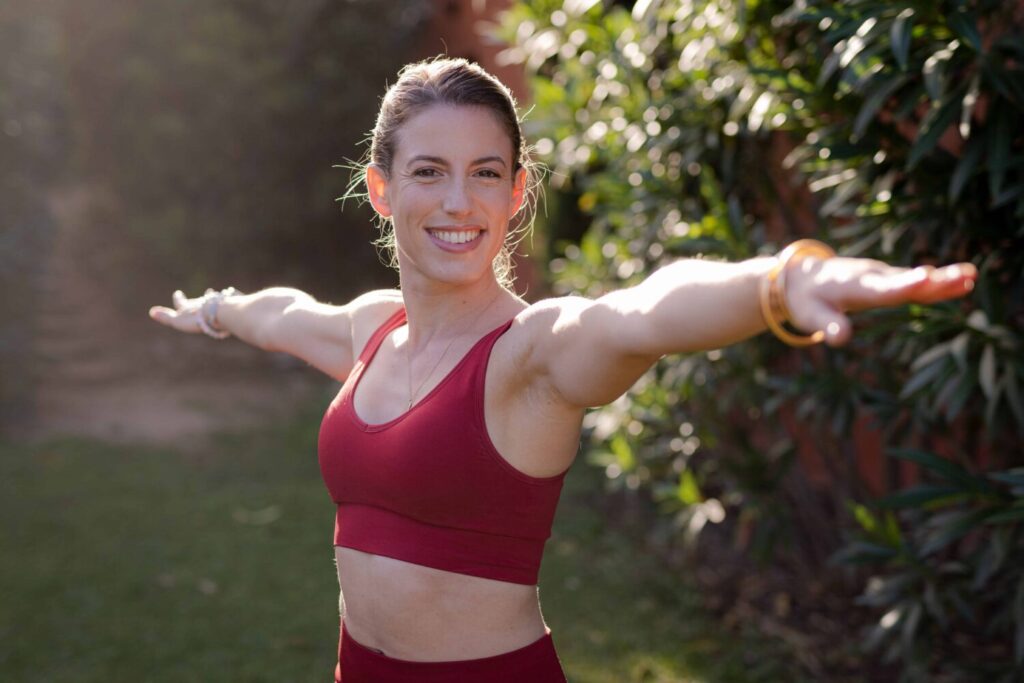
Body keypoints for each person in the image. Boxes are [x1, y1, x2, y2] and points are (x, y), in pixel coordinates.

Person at [148, 57, 977, 682]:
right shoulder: (374, 331)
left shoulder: (530, 355)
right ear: (381, 189)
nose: (457, 202)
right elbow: (287, 315)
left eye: (486, 174)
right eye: (428, 172)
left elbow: (643, 312)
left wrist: (781, 283)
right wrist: (218, 308)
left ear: (516, 193)